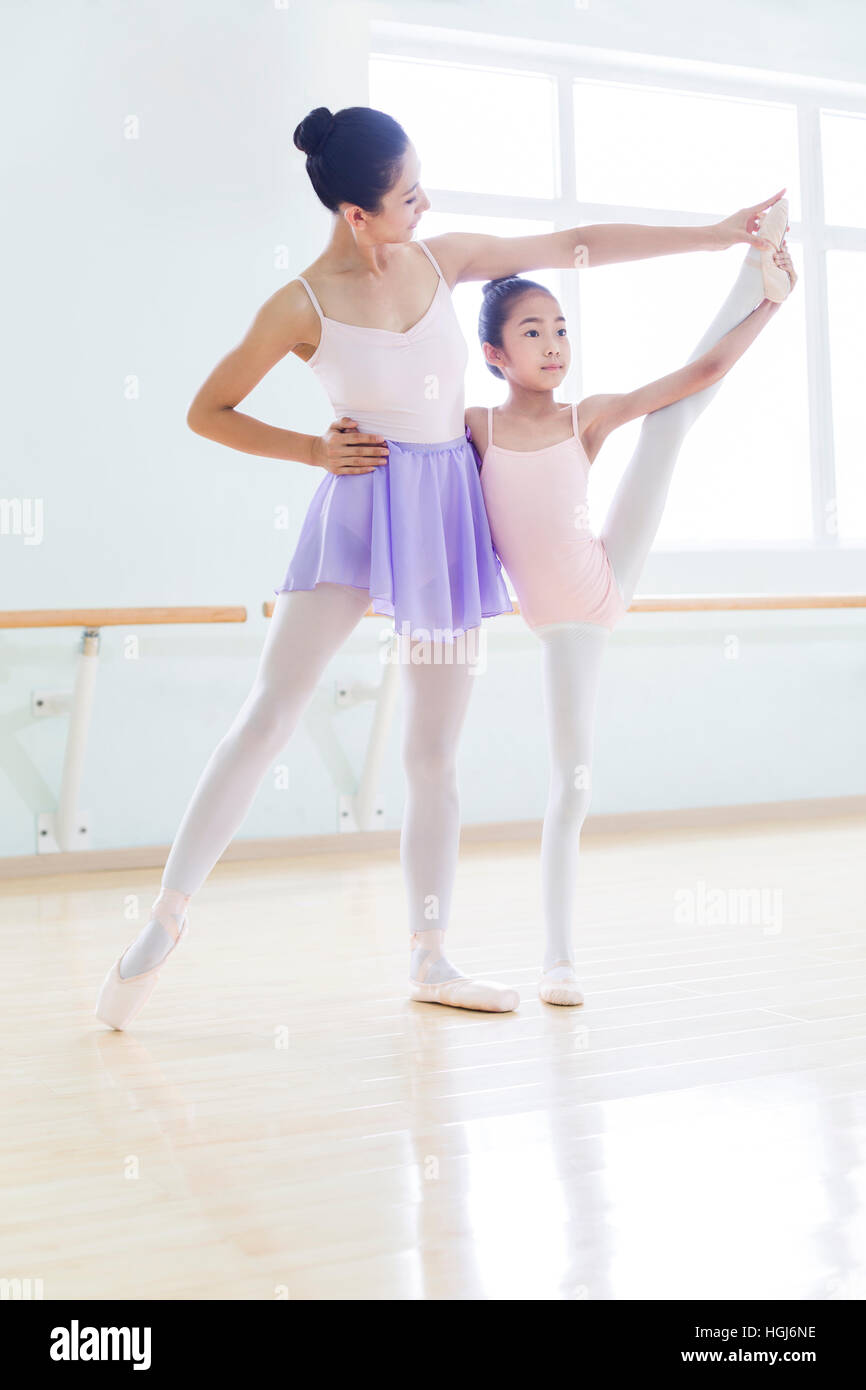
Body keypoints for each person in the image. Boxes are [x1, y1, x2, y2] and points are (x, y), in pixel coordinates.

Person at [95, 101, 784, 1028]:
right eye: (409, 194)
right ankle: (168, 918)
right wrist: (310, 451)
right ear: (355, 215)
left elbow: (574, 239)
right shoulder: (297, 305)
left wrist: (710, 237)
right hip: (362, 498)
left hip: (446, 512)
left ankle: (431, 954)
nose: (426, 203)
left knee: (432, 755)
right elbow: (207, 409)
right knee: (269, 711)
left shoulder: (443, 259)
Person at [467, 201, 795, 1005]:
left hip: (599, 590)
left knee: (666, 427)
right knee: (572, 785)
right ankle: (558, 959)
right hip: (560, 620)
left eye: (560, 328)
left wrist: (768, 310)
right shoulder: (472, 426)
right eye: (533, 332)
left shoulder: (589, 417)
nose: (553, 344)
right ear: (494, 353)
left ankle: (760, 276)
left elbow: (701, 377)